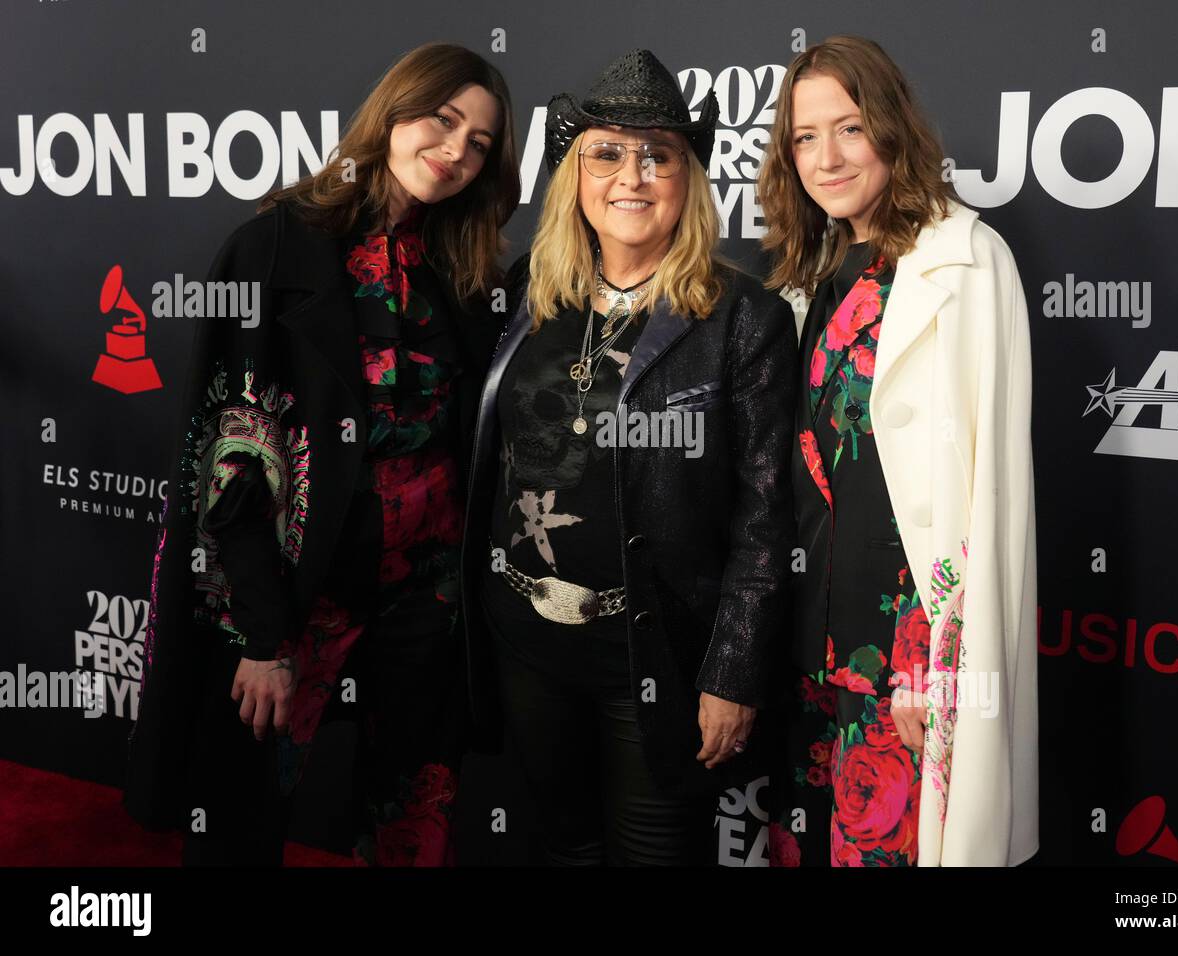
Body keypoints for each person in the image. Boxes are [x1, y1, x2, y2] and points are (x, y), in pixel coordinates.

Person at [123, 42, 520, 866]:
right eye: (442, 122)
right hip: (302, 596)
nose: (454, 153)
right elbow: (229, 460)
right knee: (242, 811)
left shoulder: (462, 262)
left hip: (427, 597)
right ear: (392, 113)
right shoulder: (273, 249)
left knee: (415, 813)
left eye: (479, 142)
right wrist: (262, 637)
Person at [458, 49, 797, 865]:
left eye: (659, 156)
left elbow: (765, 516)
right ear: (575, 174)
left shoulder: (742, 317)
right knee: (561, 841)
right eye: (606, 152)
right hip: (525, 640)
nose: (631, 176)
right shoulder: (525, 296)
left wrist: (732, 671)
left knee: (653, 853)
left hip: (654, 654)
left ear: (689, 180)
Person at [757, 35, 1038, 867]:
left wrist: (930, 665)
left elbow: (980, 490)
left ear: (891, 127)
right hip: (816, 649)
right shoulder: (818, 273)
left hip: (905, 666)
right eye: (805, 137)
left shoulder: (965, 261)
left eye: (848, 128)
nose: (827, 157)